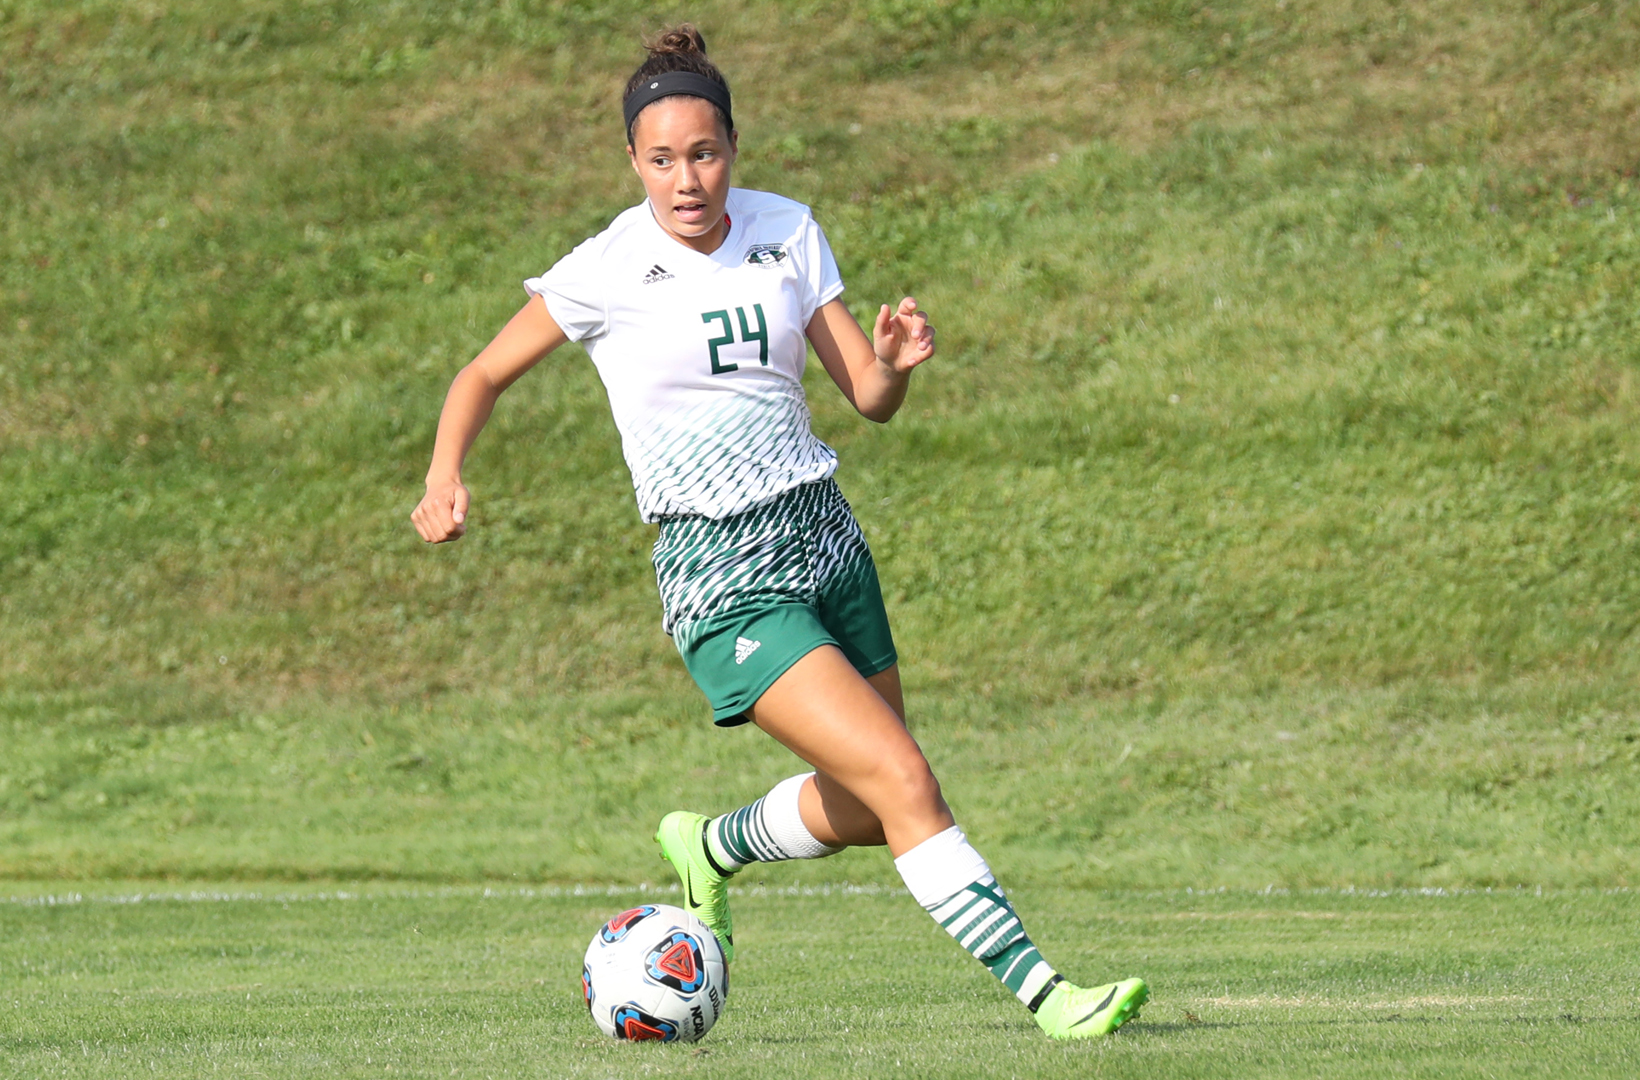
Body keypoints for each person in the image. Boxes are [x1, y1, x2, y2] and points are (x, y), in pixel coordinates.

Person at [410, 24, 1147, 1040]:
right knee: (906, 782)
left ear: (733, 148)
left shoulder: (786, 229)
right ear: (633, 161)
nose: (686, 178)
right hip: (721, 571)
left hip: (825, 537)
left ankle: (713, 846)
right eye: (662, 158)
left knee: (868, 803)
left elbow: (868, 399)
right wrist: (446, 474)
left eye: (703, 152)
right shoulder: (607, 268)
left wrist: (890, 362)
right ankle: (1049, 995)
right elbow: (480, 373)